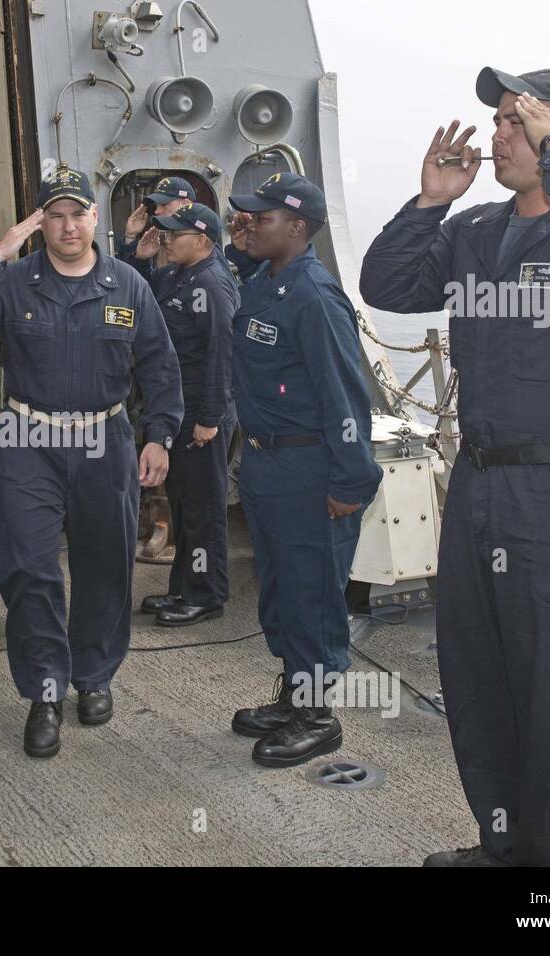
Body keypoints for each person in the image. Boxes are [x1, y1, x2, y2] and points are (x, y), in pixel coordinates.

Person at [359, 68, 550, 867]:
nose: (497, 136)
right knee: (481, 680)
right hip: (486, 486)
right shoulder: (476, 233)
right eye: (497, 120)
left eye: (518, 120)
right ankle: (506, 848)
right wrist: (431, 204)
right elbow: (386, 285)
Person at [0, 166, 182, 758]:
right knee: (28, 571)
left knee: (105, 567)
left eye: (78, 214)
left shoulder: (128, 286)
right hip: (27, 442)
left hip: (106, 441)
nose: (68, 226)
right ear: (39, 222)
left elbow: (159, 364)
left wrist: (159, 436)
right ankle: (44, 691)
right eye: (55, 215)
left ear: (95, 219)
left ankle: (93, 676)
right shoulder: (14, 281)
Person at [226, 172, 381, 768]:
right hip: (267, 463)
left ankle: (317, 717)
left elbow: (346, 394)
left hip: (310, 468)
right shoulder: (267, 280)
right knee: (283, 591)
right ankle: (294, 697)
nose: (248, 224)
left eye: (260, 218)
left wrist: (350, 481)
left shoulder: (315, 296)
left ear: (296, 227)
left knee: (313, 596)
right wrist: (241, 249)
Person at [127, 203, 240, 626]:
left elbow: (221, 356)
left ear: (204, 241)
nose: (168, 239)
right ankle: (183, 587)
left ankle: (206, 594)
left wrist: (210, 419)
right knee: (183, 505)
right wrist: (132, 250)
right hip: (180, 410)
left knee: (203, 510)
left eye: (177, 234)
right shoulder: (178, 275)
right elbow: (140, 297)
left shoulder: (211, 284)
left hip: (200, 416)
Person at [116, 175, 197, 270]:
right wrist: (130, 236)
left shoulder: (203, 253)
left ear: (185, 204)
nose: (156, 211)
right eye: (156, 206)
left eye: (163, 204)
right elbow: (139, 283)